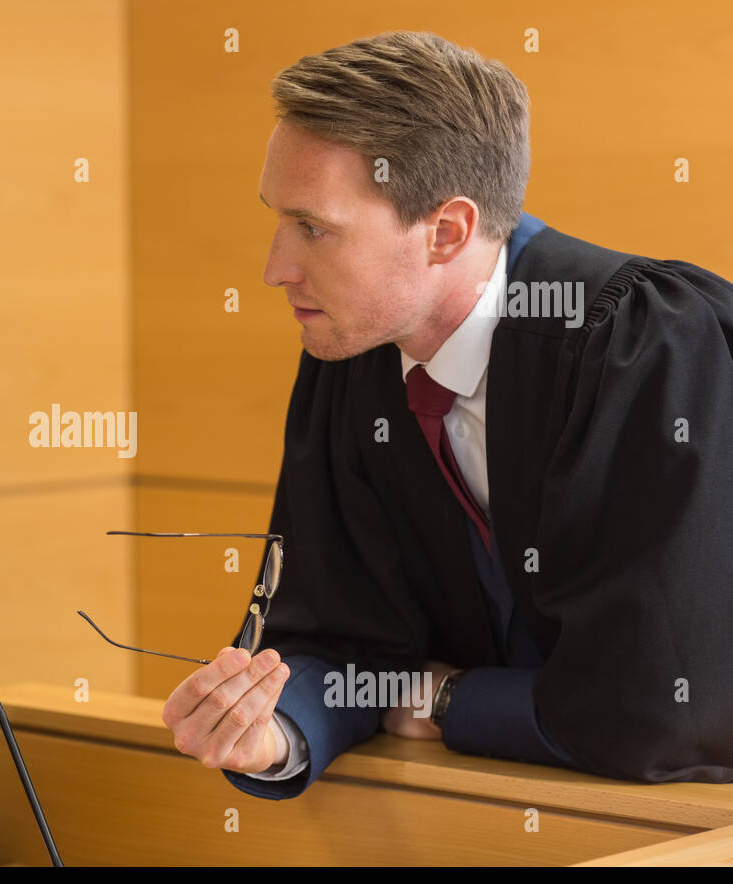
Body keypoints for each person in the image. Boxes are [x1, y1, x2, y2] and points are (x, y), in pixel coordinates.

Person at [161, 31, 733, 798]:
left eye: (313, 228)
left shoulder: (644, 346)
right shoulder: (355, 346)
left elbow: (664, 706)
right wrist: (278, 729)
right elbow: (338, 633)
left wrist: (449, 700)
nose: (274, 269)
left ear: (448, 231)